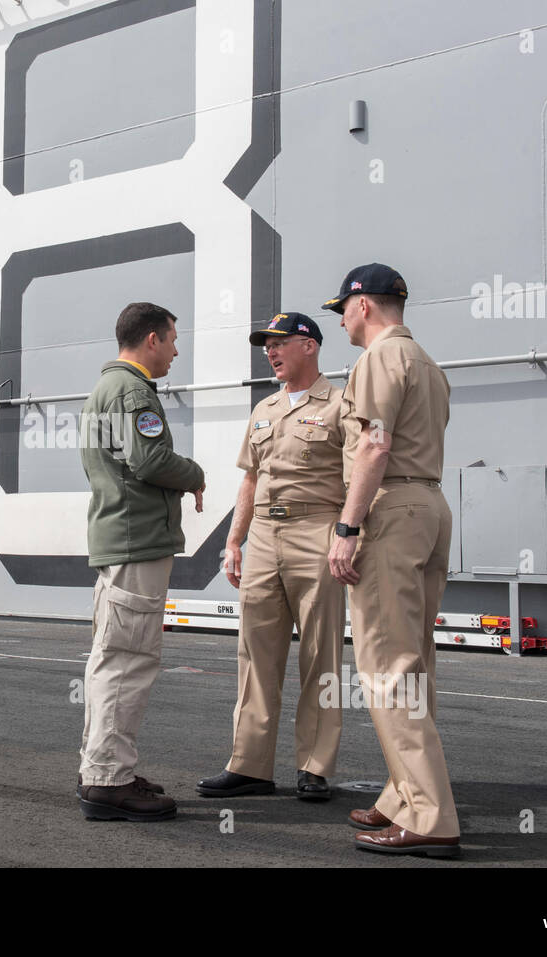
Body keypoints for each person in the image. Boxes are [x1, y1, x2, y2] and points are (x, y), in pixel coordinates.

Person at [323, 263, 460, 857]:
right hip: (428, 506)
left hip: (391, 510)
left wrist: (347, 526)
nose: (342, 322)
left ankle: (429, 816)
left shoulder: (377, 359)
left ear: (364, 307)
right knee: (414, 660)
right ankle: (402, 797)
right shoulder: (427, 363)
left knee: (386, 667)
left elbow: (374, 444)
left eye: (343, 311)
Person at [197, 313, 346, 801]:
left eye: (279, 343)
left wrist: (349, 536)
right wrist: (234, 541)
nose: (270, 351)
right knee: (254, 653)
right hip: (263, 534)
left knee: (319, 654)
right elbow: (250, 479)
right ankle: (250, 766)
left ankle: (314, 766)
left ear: (309, 345)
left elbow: (358, 478)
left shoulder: (342, 404)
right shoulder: (264, 408)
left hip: (317, 531)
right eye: (266, 345)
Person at [77, 301, 205, 821]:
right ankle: (108, 780)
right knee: (128, 661)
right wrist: (195, 473)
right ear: (151, 339)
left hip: (122, 541)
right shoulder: (132, 391)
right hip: (137, 542)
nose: (176, 350)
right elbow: (149, 459)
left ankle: (106, 768)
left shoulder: (105, 390)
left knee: (113, 658)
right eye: (173, 339)